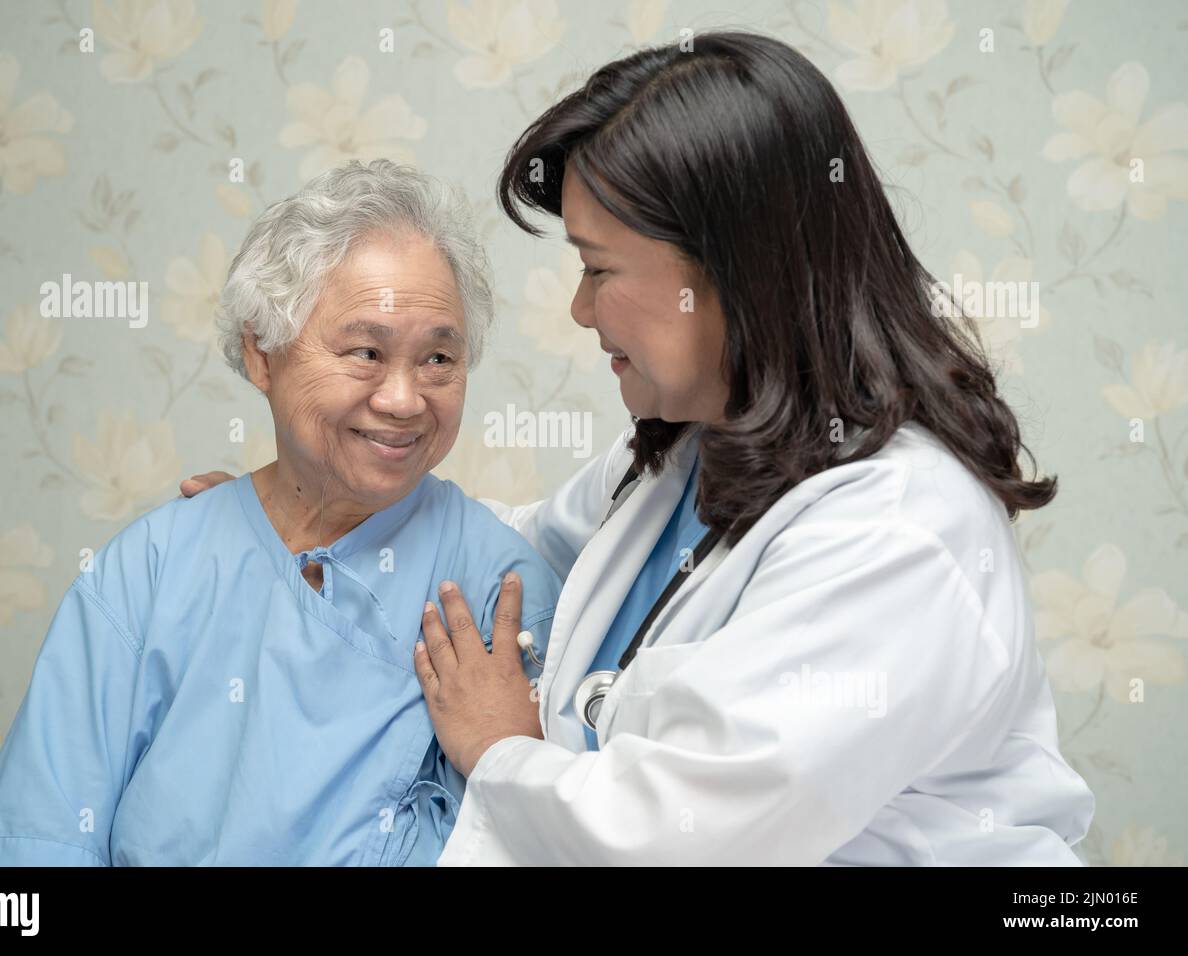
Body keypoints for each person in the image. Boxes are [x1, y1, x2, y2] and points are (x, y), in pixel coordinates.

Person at [182, 32, 1095, 865]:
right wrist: (313, 512)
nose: (581, 310)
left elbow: (679, 838)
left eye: (598, 268)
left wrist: (499, 748)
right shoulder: (688, 459)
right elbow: (514, 550)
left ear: (734, 272)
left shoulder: (900, 535)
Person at [0, 160, 561, 866]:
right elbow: (31, 842)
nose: (404, 399)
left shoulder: (500, 592)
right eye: (366, 351)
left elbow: (533, 836)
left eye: (437, 359)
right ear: (262, 353)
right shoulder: (151, 567)